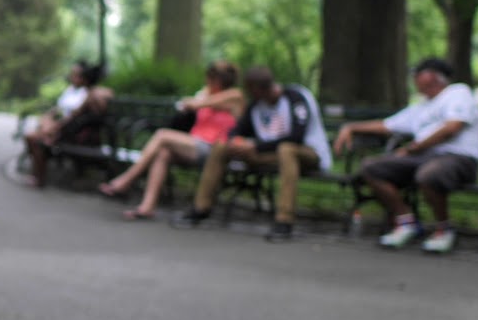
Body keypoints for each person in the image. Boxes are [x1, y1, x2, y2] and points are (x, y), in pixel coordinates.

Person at [333, 57, 478, 253]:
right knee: (372, 167)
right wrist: (351, 127)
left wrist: (416, 148)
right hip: (422, 158)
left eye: (417, 74)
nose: (414, 78)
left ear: (432, 77)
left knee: (429, 174)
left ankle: (444, 230)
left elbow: (452, 127)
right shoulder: (421, 106)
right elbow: (386, 125)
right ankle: (406, 221)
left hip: (458, 158)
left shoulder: (458, 93)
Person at [174, 66, 332, 241]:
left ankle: (284, 221)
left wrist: (256, 146)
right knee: (222, 146)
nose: (250, 96)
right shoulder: (256, 104)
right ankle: (200, 208)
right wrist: (235, 141)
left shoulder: (296, 98)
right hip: (270, 155)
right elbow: (238, 129)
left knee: (286, 149)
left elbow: (297, 137)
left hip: (308, 154)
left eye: (252, 92)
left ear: (260, 89)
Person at [99, 60, 244, 220]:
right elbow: (191, 105)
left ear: (217, 80)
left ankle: (126, 180)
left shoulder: (235, 96)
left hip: (215, 149)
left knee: (162, 135)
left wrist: (198, 100)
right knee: (163, 153)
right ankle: (147, 206)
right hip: (194, 144)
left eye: (209, 79)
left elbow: (196, 104)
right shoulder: (208, 95)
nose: (206, 82)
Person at [22, 60, 114, 188]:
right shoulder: (72, 91)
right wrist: (47, 121)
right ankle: (37, 175)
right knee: (33, 136)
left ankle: (39, 177)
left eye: (76, 75)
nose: (71, 77)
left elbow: (75, 116)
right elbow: (61, 111)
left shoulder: (92, 94)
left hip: (72, 132)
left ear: (85, 78)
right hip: (63, 128)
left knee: (35, 139)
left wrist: (55, 128)